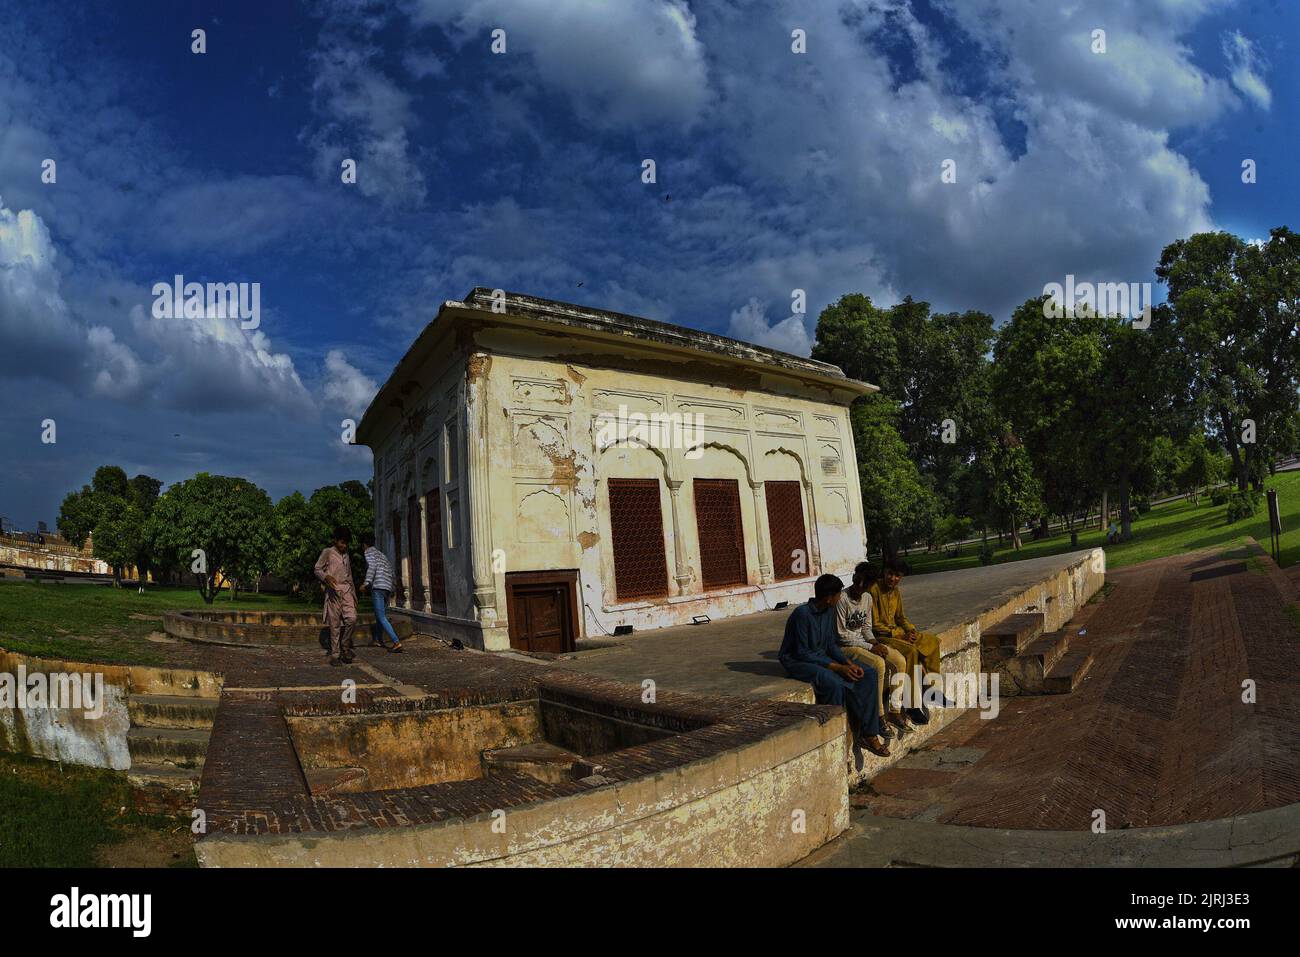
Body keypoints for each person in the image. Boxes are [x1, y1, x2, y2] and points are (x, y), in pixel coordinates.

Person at [779, 573, 890, 757]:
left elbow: (830, 644)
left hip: (820, 656)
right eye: (838, 594)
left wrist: (847, 662)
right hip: (797, 661)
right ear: (829, 597)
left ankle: (869, 733)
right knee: (835, 684)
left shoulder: (828, 611)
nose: (840, 597)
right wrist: (838, 668)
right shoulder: (802, 614)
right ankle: (834, 739)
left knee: (868, 673)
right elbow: (802, 652)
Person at [835, 561, 913, 738]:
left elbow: (866, 628)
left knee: (899, 660)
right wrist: (871, 646)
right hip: (847, 646)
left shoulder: (868, 598)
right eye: (857, 581)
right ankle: (879, 716)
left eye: (864, 583)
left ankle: (894, 710)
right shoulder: (842, 599)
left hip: (864, 642)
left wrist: (875, 643)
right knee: (879, 664)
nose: (859, 586)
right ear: (854, 578)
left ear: (870, 585)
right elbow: (842, 635)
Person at [870, 558, 952, 724]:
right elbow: (875, 625)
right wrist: (900, 635)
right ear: (884, 572)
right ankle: (912, 705)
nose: (893, 578)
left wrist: (911, 630)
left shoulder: (896, 591)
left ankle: (932, 689)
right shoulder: (874, 590)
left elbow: (901, 617)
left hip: (900, 632)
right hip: (882, 636)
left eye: (897, 576)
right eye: (890, 574)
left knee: (932, 641)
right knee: (911, 651)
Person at [314, 526, 358, 666]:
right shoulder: (327, 552)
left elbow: (349, 575)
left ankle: (345, 646)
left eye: (346, 543)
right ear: (336, 541)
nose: (344, 546)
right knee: (335, 624)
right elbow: (317, 569)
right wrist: (326, 577)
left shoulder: (347, 555)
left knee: (352, 618)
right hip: (333, 591)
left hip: (346, 590)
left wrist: (354, 595)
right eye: (342, 542)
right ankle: (335, 654)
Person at [361, 532, 403, 653]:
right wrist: (393, 587)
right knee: (380, 615)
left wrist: (367, 582)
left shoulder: (368, 552)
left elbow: (372, 566)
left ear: (364, 545)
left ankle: (396, 642)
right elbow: (391, 570)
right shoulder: (382, 555)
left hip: (378, 587)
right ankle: (378, 639)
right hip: (387, 587)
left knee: (381, 616)